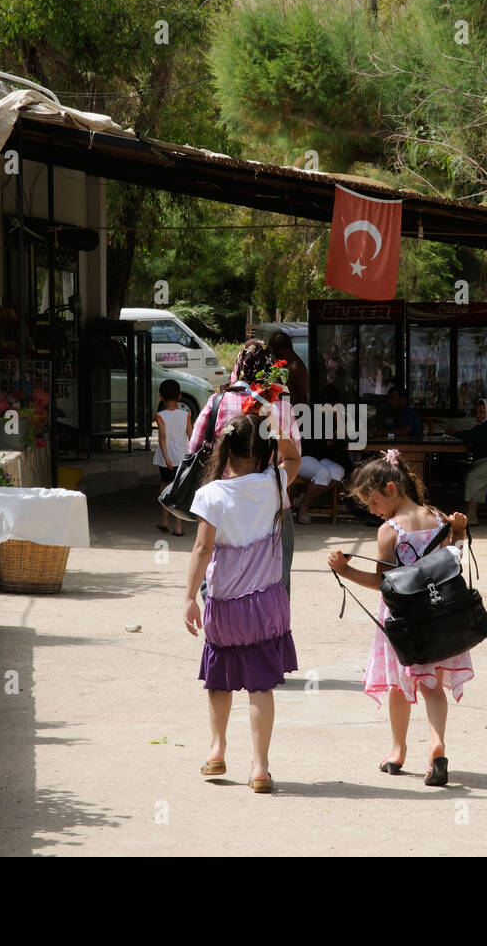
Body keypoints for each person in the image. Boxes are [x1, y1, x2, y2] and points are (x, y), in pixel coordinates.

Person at [327, 451, 470, 786]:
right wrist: (459, 531)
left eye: (373, 502)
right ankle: (437, 743)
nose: (373, 510)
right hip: (437, 614)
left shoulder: (389, 531)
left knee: (397, 686)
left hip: (402, 620)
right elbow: (453, 559)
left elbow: (383, 582)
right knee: (432, 685)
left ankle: (397, 751)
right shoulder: (437, 517)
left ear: (391, 488)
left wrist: (345, 570)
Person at [185, 413, 297, 793]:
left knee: (219, 681)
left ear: (225, 449)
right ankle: (261, 768)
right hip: (267, 604)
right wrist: (275, 420)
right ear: (264, 448)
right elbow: (293, 458)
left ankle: (216, 750)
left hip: (224, 604)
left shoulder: (211, 494)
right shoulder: (274, 482)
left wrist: (188, 598)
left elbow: (202, 549)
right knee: (260, 687)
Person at [188, 339, 302, 592]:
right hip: (273, 508)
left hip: (223, 506)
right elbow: (294, 457)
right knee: (275, 582)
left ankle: (221, 623)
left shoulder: (216, 403)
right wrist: (269, 487)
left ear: (239, 364)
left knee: (217, 572)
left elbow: (194, 449)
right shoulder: (281, 408)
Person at [295, 384, 352, 524]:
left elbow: (341, 436)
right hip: (302, 457)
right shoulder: (310, 415)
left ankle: (303, 497)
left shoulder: (331, 418)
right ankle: (303, 507)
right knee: (323, 474)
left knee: (338, 472)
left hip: (318, 458)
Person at [154, 379, 193, 537]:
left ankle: (164, 521)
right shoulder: (186, 415)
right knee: (179, 489)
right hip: (182, 457)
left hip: (166, 459)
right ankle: (178, 526)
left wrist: (166, 457)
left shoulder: (160, 416)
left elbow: (162, 438)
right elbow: (191, 436)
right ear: (179, 396)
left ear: (161, 397)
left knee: (165, 487)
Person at [267, 331, 309, 410]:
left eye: (274, 351)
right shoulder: (285, 365)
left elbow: (302, 397)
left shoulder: (295, 367)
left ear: (282, 349)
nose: (274, 355)